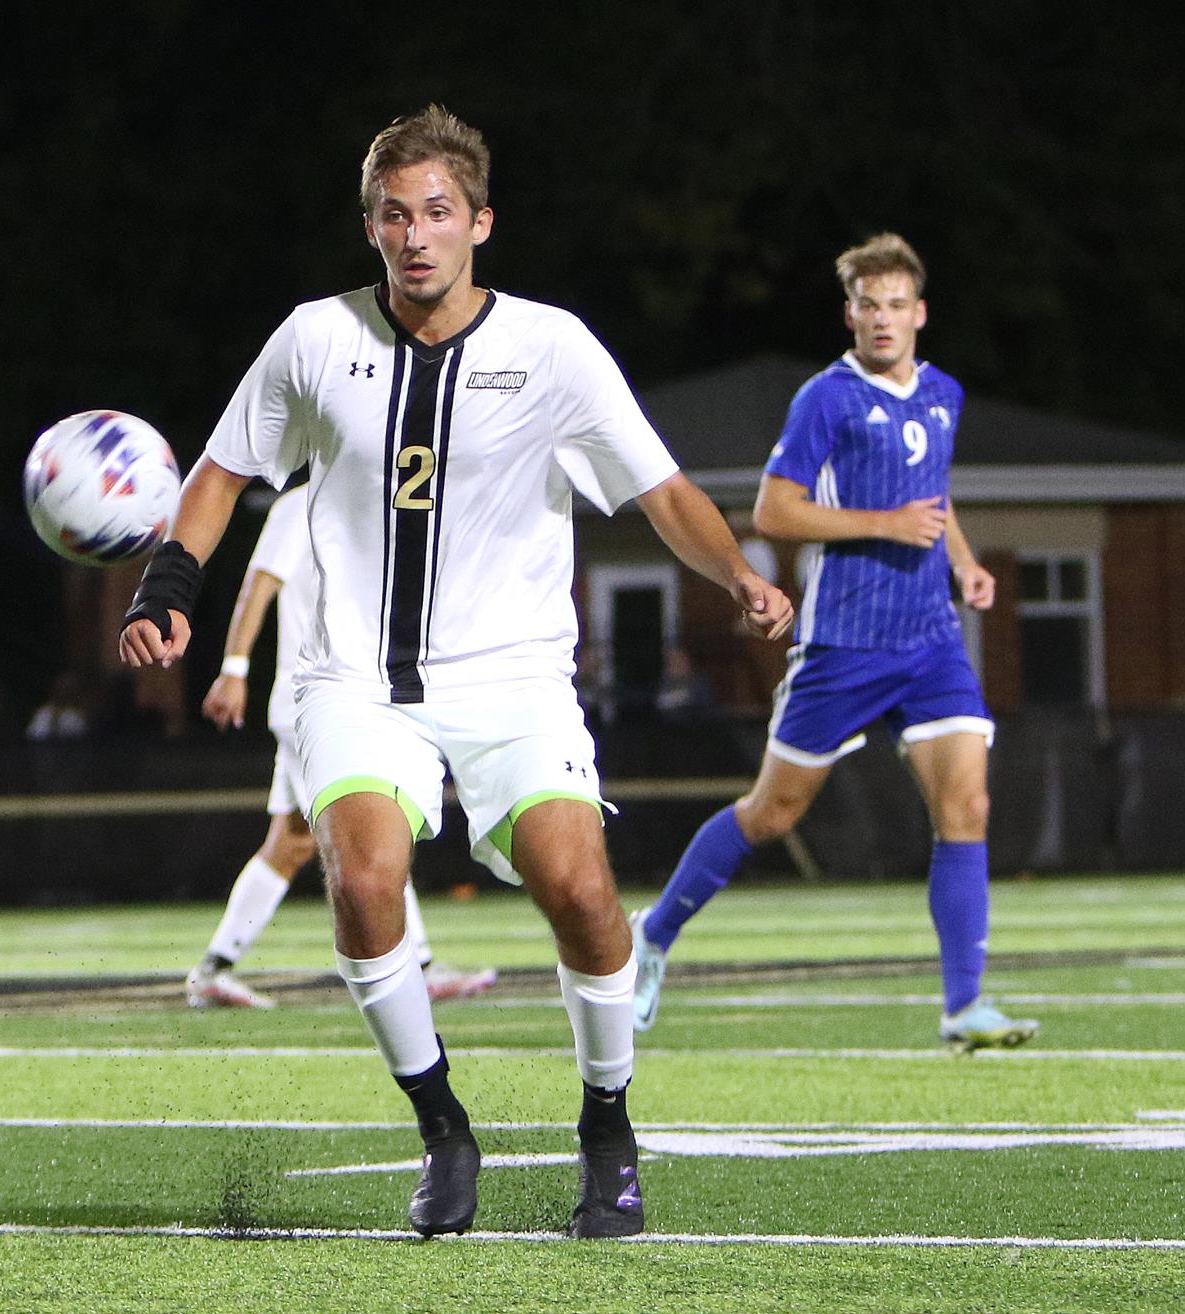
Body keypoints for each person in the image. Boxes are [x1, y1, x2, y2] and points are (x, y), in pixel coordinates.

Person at [119, 105, 792, 1239]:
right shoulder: (308, 339)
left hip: (513, 677)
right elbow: (223, 471)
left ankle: (607, 1126)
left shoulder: (553, 348)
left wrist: (736, 574)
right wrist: (166, 587)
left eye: (438, 212)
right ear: (370, 228)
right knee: (363, 883)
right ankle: (442, 1130)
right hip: (352, 680)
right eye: (394, 215)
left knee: (580, 891)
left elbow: (659, 489)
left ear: (480, 222)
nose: (416, 234)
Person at [629, 233, 1039, 1053]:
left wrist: (962, 563)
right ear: (848, 314)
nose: (882, 319)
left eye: (896, 305)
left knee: (968, 806)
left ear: (919, 314)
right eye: (866, 305)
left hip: (929, 640)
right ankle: (653, 934)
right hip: (845, 641)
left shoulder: (944, 394)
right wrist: (883, 524)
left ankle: (964, 1004)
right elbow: (776, 510)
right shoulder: (827, 398)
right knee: (772, 813)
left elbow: (936, 493)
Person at [187, 483, 498, 1009]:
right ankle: (419, 965)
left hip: (339, 701)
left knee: (289, 844)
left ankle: (213, 969)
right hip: (315, 702)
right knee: (377, 820)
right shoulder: (301, 504)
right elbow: (258, 587)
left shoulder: (380, 502)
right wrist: (234, 670)